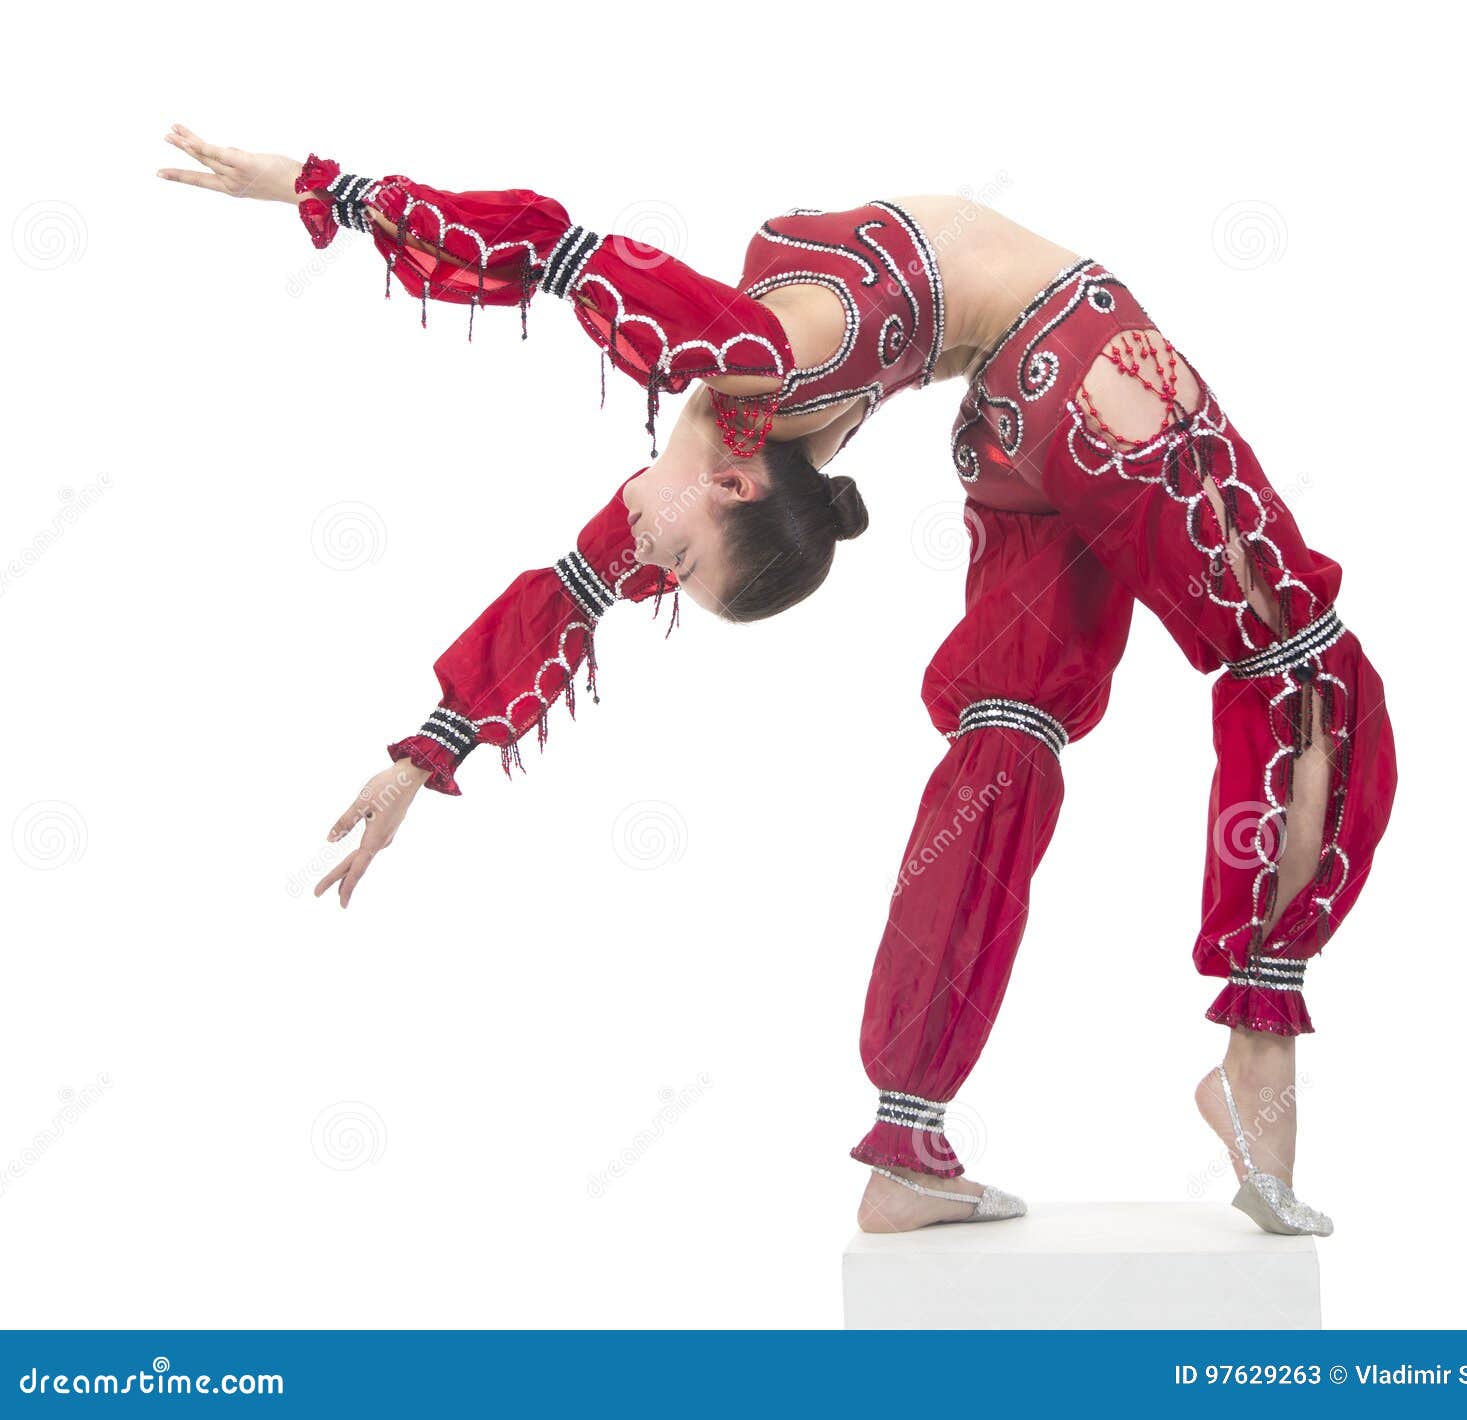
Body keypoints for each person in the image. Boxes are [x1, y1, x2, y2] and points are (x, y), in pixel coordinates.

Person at [158, 126, 1398, 1235]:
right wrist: (422, 760)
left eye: (676, 560)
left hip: (1021, 418)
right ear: (745, 482)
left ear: (739, 482)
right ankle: (1248, 1055)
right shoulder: (751, 397)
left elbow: (550, 253)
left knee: (1013, 728)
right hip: (1077, 372)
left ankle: (909, 1143)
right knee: (1295, 665)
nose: (647, 553)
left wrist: (313, 187)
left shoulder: (740, 382)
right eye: (677, 561)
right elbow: (572, 554)